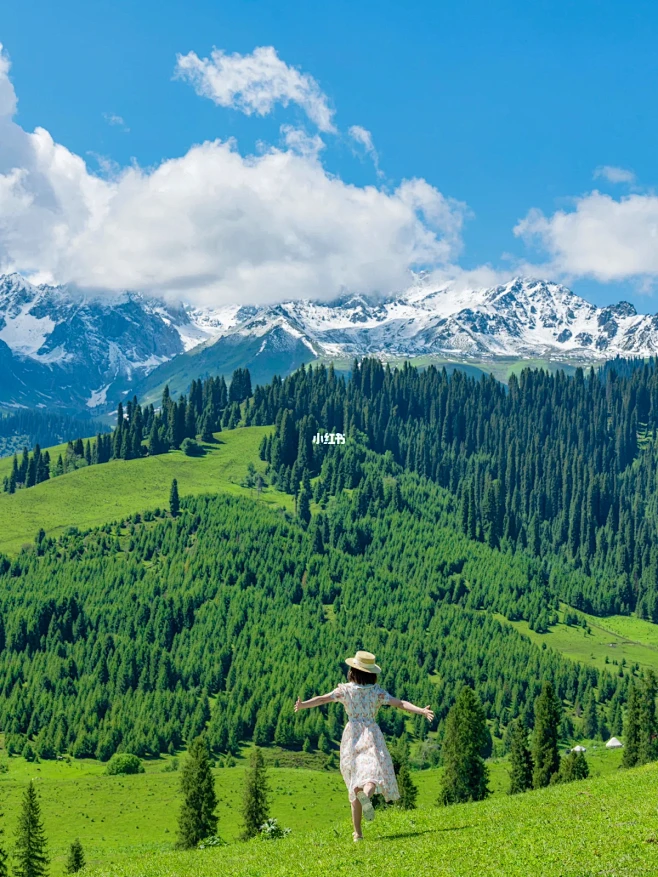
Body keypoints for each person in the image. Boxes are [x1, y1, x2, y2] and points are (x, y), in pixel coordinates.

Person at [295, 650, 434, 842]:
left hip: (352, 736)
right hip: (371, 734)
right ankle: (367, 795)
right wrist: (421, 711)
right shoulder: (376, 692)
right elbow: (400, 703)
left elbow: (322, 699)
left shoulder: (345, 691)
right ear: (372, 674)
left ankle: (358, 834)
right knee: (372, 773)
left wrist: (303, 705)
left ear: (353, 671)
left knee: (355, 783)